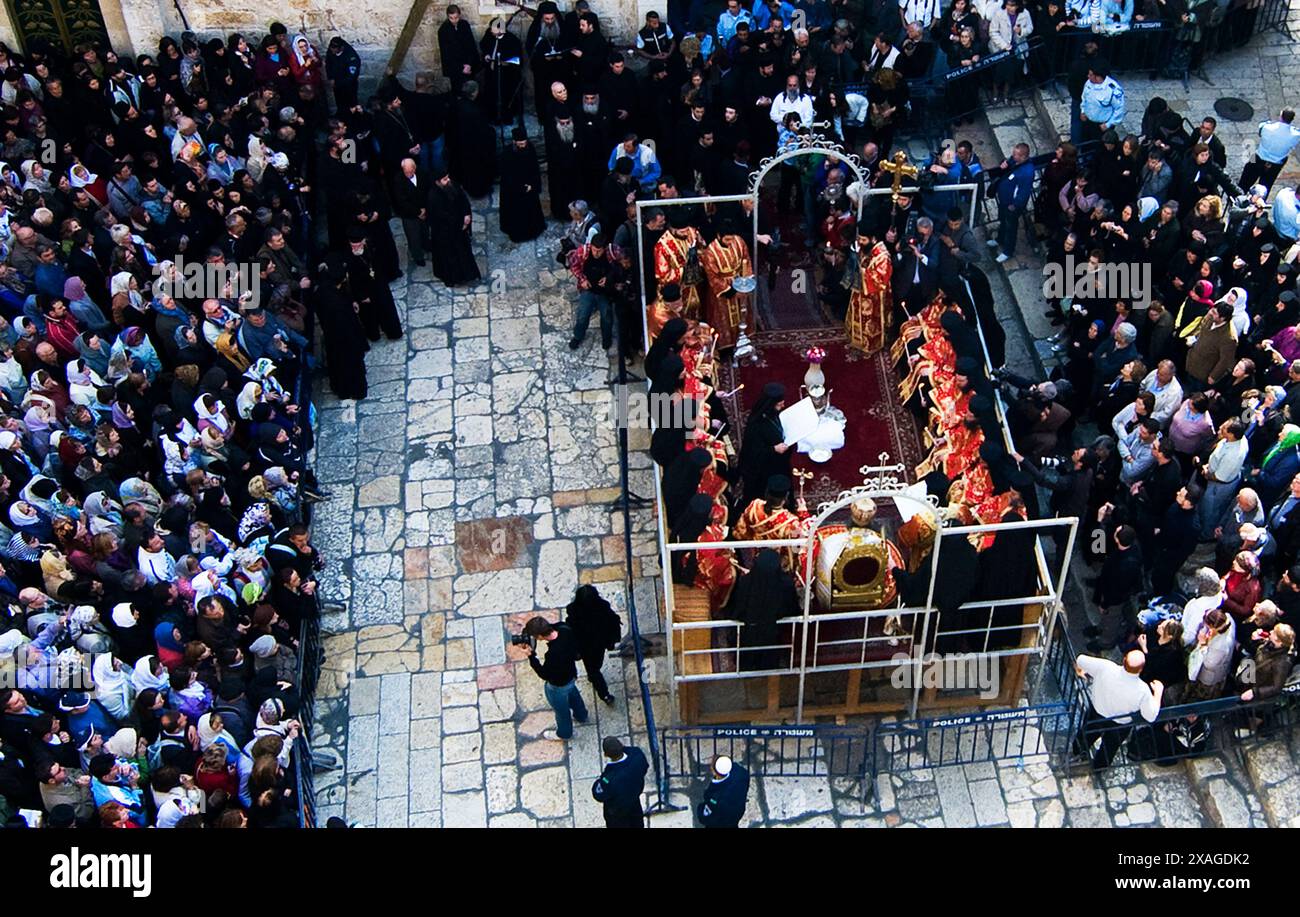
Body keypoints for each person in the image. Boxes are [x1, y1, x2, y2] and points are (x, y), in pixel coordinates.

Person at [1074, 649, 1164, 768]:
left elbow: (1080, 659)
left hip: (1097, 712)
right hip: (1120, 724)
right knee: (1110, 747)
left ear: (1124, 659)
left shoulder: (1106, 667)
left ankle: (1077, 751)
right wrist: (1158, 692)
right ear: (1141, 669)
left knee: (1087, 734)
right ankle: (1098, 768)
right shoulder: (1142, 690)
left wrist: (1080, 670)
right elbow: (1151, 716)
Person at [522, 616, 588, 741]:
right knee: (573, 693)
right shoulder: (564, 628)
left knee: (561, 712)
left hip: (558, 685)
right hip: (571, 675)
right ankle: (581, 715)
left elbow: (544, 674)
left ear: (540, 636)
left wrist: (531, 657)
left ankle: (564, 733)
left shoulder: (553, 654)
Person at [565, 584, 621, 705]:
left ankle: (603, 693)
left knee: (593, 669)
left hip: (585, 648)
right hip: (599, 645)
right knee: (596, 667)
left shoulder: (574, 612)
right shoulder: (602, 607)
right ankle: (604, 694)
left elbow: (570, 630)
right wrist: (611, 642)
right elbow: (613, 622)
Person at [428, 169, 482, 288]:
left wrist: (467, 214)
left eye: (448, 177)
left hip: (458, 228)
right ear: (437, 182)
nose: (448, 180)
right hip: (446, 233)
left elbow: (463, 200)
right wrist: (460, 223)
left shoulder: (453, 186)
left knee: (463, 253)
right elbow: (442, 217)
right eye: (445, 179)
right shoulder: (434, 197)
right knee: (451, 258)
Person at [498, 127, 547, 243]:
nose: (523, 145)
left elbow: (535, 169)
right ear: (515, 142)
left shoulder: (530, 149)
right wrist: (520, 187)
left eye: (524, 143)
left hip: (530, 187)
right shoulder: (508, 153)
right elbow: (507, 175)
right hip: (514, 191)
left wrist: (532, 185)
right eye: (520, 143)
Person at [987, 143, 1034, 263]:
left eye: (1015, 154)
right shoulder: (1015, 161)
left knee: (1011, 227)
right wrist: (1005, 163)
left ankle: (1008, 251)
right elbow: (1009, 162)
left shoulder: (1027, 172)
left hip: (1012, 206)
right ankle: (1000, 239)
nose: (1012, 156)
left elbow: (1024, 192)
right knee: (1002, 220)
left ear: (1023, 157)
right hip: (1004, 201)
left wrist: (1015, 205)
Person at [591, 736, 649, 827]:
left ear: (606, 755)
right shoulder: (637, 755)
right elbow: (645, 767)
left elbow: (598, 794)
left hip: (617, 813)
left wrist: (598, 782)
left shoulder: (609, 779)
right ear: (621, 745)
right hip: (634, 803)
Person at [697, 753, 749, 827]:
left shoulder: (715, 798)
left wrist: (700, 810)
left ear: (715, 772)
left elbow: (706, 817)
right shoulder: (741, 773)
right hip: (735, 816)